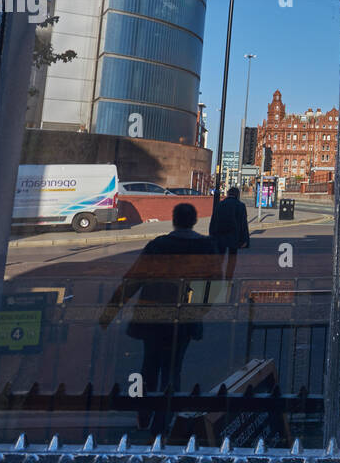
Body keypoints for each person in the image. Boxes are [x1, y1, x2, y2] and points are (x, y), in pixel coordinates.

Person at [98, 202, 220, 435]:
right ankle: (165, 419)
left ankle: (144, 413)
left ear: (174, 220)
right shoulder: (206, 246)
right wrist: (198, 310)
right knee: (173, 368)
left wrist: (109, 312)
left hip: (153, 315)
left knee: (149, 365)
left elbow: (133, 279)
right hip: (184, 318)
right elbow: (214, 284)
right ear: (194, 221)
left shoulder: (158, 245)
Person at [208, 185, 251, 282]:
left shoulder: (220, 204)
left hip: (220, 235)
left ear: (228, 194)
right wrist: (244, 240)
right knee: (232, 258)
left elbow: (213, 220)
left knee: (220, 257)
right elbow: (243, 224)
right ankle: (228, 278)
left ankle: (218, 276)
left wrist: (211, 235)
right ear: (237, 195)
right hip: (234, 236)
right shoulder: (240, 205)